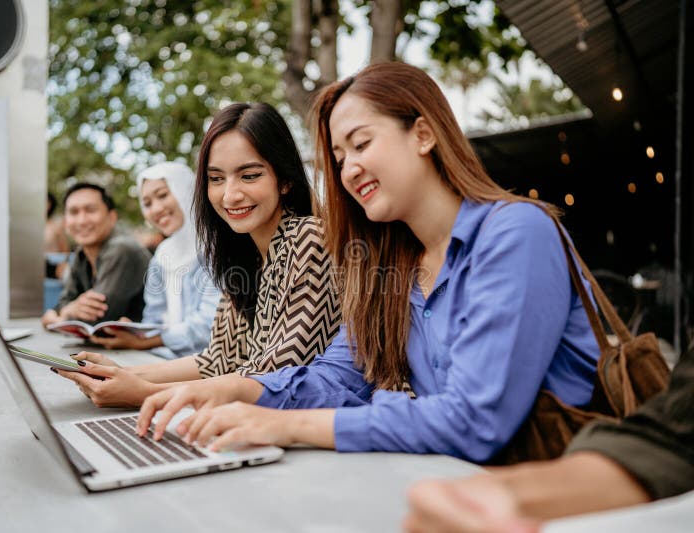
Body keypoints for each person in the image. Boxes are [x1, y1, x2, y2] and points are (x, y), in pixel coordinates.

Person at [133, 62, 600, 463]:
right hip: (439, 486)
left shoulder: (516, 233)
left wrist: (283, 426)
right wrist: (237, 392)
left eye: (361, 144)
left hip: (555, 499)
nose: (348, 169)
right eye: (338, 157)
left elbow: (475, 420)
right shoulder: (391, 266)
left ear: (423, 134)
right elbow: (338, 375)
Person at [56, 103, 342, 407]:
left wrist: (144, 393)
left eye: (249, 176)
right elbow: (217, 359)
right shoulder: (244, 252)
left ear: (284, 180)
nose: (229, 195)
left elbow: (274, 377)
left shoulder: (308, 238)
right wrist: (124, 373)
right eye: (216, 179)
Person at [402, 346, 694, 532]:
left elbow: (471, 419)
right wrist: (508, 494)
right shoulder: (388, 269)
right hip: (468, 472)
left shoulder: (514, 249)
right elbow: (672, 438)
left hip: (521, 452)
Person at [86, 161, 221, 359]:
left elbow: (209, 327)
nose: (156, 209)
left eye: (163, 195)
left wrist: (146, 341)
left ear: (186, 190)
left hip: (209, 366)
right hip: (162, 357)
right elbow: (154, 317)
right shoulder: (162, 255)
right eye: (147, 203)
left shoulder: (217, 247)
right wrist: (136, 331)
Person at [41, 183, 151, 327]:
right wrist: (69, 309)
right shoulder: (81, 254)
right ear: (66, 222)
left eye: (90, 210)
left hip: (144, 347)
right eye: (74, 212)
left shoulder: (122, 249)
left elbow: (98, 319)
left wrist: (61, 316)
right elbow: (63, 303)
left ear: (112, 217)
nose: (82, 220)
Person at [44, 192, 70, 280]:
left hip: (54, 268)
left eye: (46, 202)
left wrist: (62, 265)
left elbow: (65, 249)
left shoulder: (56, 226)